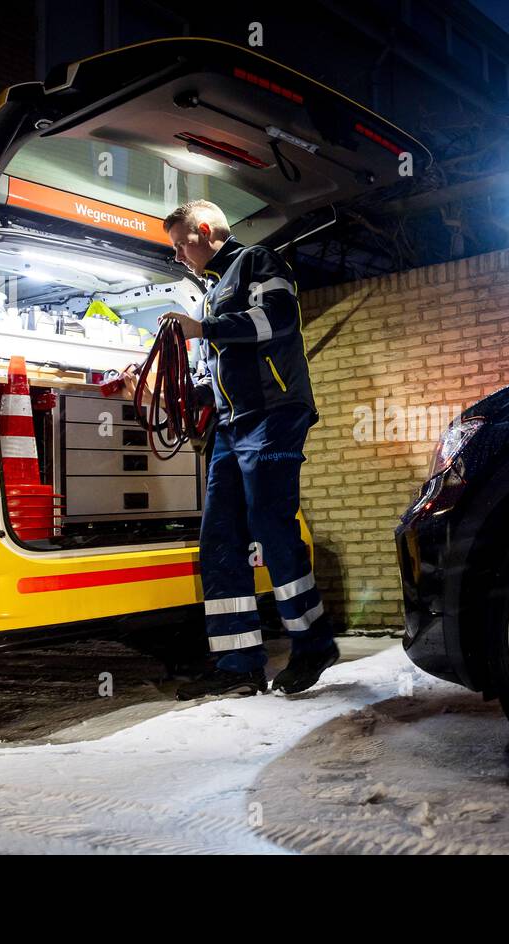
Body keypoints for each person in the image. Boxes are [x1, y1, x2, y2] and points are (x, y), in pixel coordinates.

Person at [143, 199, 339, 700]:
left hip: (274, 416)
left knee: (272, 526)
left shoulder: (256, 262)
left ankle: (313, 644)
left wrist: (202, 329)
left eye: (182, 244)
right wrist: (156, 390)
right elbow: (217, 377)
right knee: (220, 538)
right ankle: (239, 665)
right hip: (232, 427)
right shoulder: (210, 294)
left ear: (204, 231)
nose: (180, 257)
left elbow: (277, 322)